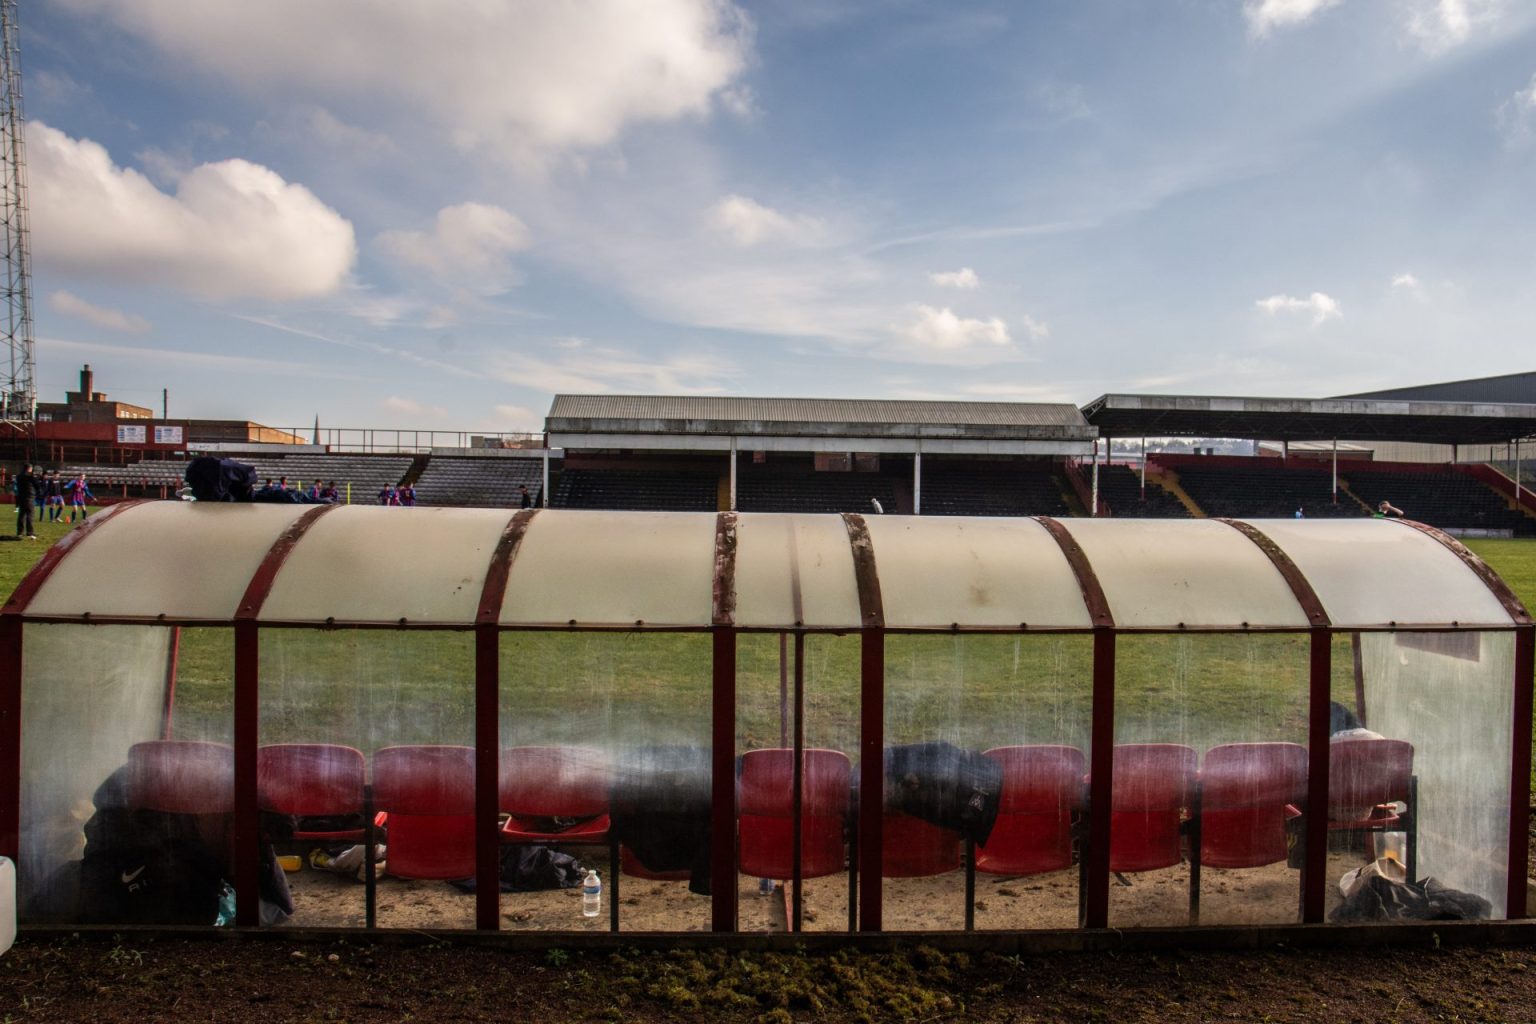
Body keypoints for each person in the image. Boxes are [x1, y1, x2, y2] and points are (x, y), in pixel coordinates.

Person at [12, 463, 37, 538]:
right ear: (29, 469)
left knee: (21, 514)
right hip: (29, 497)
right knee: (30, 514)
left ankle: (20, 532)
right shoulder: (29, 476)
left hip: (21, 497)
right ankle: (30, 532)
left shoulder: (19, 476)